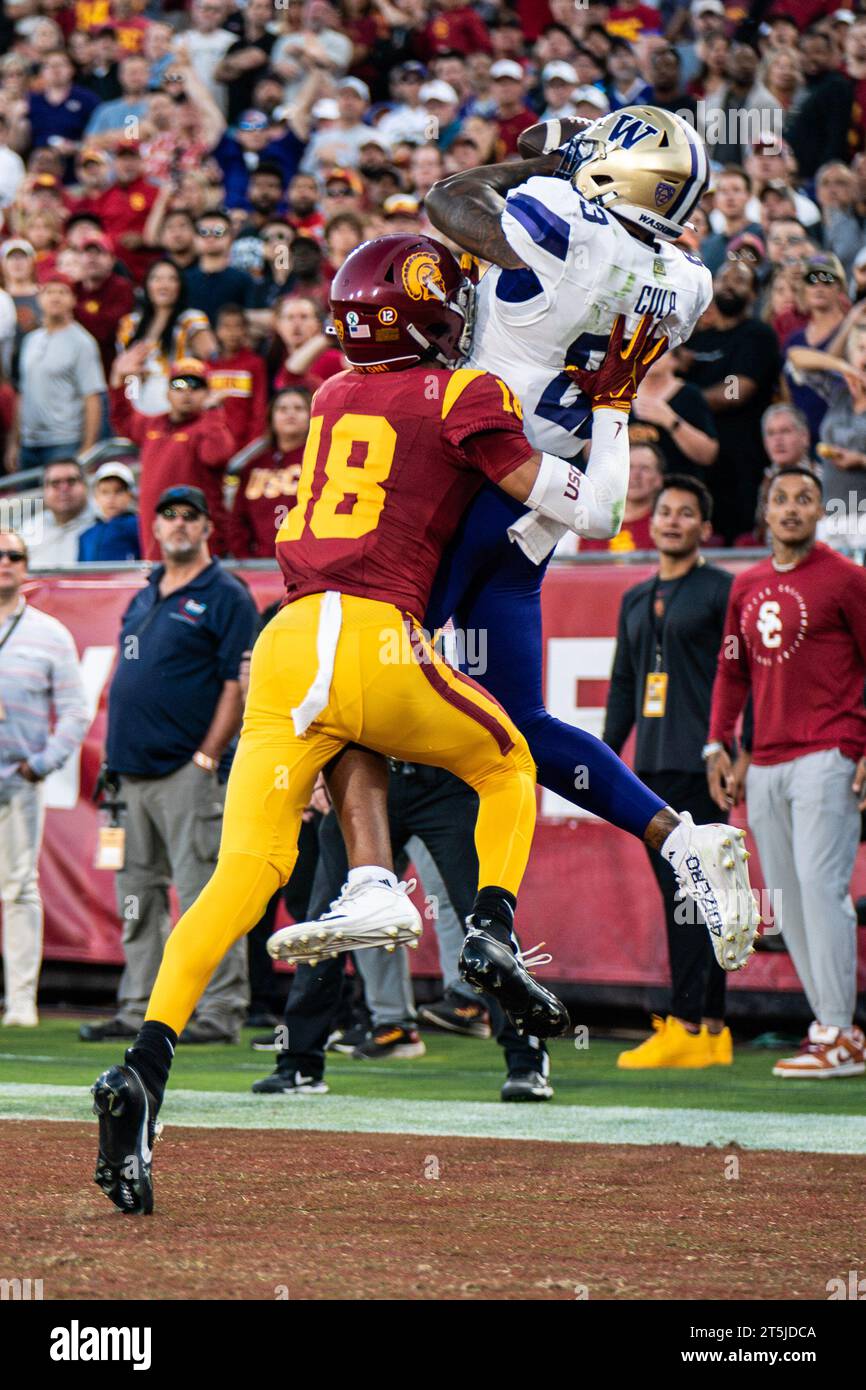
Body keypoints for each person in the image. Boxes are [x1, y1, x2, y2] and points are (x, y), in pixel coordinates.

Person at [91, 232, 600, 1216]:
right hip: (373, 631)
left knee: (244, 874)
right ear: (423, 314)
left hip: (288, 644)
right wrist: (598, 400)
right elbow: (563, 500)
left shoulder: (327, 395)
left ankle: (145, 1066)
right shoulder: (461, 396)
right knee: (505, 767)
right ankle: (489, 933)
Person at [277, 113, 760, 971]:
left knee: (357, 656)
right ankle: (680, 838)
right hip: (545, 509)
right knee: (525, 719)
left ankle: (372, 879)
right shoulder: (684, 279)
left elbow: (449, 200)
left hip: (479, 476)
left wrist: (545, 157)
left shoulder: (562, 221)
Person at [81, 485, 256, 1047]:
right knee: (138, 899)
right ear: (154, 528)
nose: (179, 524)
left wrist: (208, 755)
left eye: (190, 516)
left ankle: (220, 1008)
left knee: (205, 895)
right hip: (131, 772)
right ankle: (140, 1007)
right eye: (169, 516)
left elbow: (239, 682)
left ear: (207, 528)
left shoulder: (226, 593)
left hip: (188, 772)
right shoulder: (147, 591)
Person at [707, 466, 866, 1079]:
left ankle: (841, 1033)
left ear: (821, 510)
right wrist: (717, 743)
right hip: (766, 761)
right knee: (790, 899)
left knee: (822, 888)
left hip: (830, 751)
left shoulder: (847, 581)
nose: (793, 508)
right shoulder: (744, 584)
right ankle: (829, 1025)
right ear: (765, 513)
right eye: (781, 499)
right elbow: (732, 671)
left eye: (805, 498)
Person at [604, 475, 736, 1069]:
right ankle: (710, 1029)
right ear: (650, 521)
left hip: (698, 764)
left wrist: (731, 746)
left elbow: (744, 680)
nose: (673, 521)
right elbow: (624, 685)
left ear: (705, 528)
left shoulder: (721, 591)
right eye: (665, 512)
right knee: (689, 895)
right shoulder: (635, 596)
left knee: (698, 894)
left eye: (687, 513)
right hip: (649, 768)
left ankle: (689, 1022)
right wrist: (598, 761)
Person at [0, 529, 89, 1027]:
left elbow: (75, 713)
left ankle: (20, 1003)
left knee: (19, 888)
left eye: (15, 555)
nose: (6, 562)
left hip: (17, 777)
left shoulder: (49, 633)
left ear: (26, 566)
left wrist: (41, 763)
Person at [685, 259, 782, 544]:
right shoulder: (697, 339)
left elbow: (735, 391)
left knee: (737, 538)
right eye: (724, 278)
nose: (728, 284)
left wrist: (686, 400)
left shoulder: (757, 335)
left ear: (753, 295)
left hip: (741, 461)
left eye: (739, 280)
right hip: (698, 461)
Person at [109, 353, 235, 558]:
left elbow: (216, 455)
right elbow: (122, 418)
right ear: (167, 392)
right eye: (178, 385)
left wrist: (213, 412)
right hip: (156, 541)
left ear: (207, 393)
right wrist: (118, 379)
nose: (186, 392)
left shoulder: (210, 427)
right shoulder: (152, 425)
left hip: (200, 546)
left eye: (195, 386)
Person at [18, 274, 106, 470]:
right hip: (28, 442)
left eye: (62, 292)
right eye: (49, 291)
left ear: (73, 299)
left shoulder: (83, 342)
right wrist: (13, 443)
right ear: (39, 298)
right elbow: (22, 393)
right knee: (27, 501)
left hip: (64, 442)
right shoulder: (30, 340)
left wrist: (88, 448)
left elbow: (92, 397)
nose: (55, 297)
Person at [115, 258, 215, 416]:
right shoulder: (131, 324)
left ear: (180, 286)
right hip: (138, 407)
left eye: (172, 279)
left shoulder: (190, 321)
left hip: (179, 409)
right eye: (157, 279)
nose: (164, 285)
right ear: (147, 285)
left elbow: (214, 364)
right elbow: (123, 374)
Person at [228, 386, 309, 558]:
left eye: (299, 408)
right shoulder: (253, 466)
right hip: (258, 566)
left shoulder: (321, 461)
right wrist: (245, 557)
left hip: (307, 564)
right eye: (282, 409)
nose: (290, 414)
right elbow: (237, 519)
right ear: (271, 416)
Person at [782, 253, 848, 447]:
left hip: (842, 440)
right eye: (812, 279)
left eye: (827, 279)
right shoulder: (794, 339)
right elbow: (787, 394)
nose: (819, 286)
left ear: (840, 287)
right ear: (803, 288)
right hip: (803, 444)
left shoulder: (856, 333)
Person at [630, 343, 719, 474]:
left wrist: (671, 421)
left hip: (675, 481)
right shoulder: (619, 393)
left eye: (658, 351)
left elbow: (708, 455)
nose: (650, 356)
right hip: (628, 486)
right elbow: (591, 451)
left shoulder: (689, 395)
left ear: (675, 360)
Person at [73, 230, 136, 377]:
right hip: (77, 372)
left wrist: (74, 309)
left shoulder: (122, 288)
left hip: (110, 372)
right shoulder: (73, 288)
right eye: (87, 253)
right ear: (79, 258)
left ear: (112, 260)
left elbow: (106, 331)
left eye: (99, 253)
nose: (92, 259)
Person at [579, 442, 664, 552]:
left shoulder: (667, 525)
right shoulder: (587, 520)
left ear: (659, 479)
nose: (635, 475)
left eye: (645, 468)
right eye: (629, 467)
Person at [206, 302, 267, 450]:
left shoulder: (255, 364)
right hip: (213, 441)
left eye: (238, 327)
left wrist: (252, 444)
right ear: (217, 331)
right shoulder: (208, 366)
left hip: (243, 445)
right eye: (227, 327)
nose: (232, 333)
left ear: (245, 331)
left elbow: (259, 407)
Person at [183, 209, 260, 326]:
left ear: (231, 237)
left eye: (218, 232)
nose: (210, 237)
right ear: (195, 238)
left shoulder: (244, 280)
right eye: (203, 232)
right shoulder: (183, 280)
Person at [20, 459, 97, 568]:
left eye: (71, 481)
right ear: (44, 490)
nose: (64, 488)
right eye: (55, 483)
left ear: (86, 486)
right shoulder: (30, 528)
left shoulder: (105, 522)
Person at [77, 460, 141, 562]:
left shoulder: (138, 526)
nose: (111, 498)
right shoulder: (86, 536)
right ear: (96, 496)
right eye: (105, 492)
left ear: (130, 495)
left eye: (118, 491)